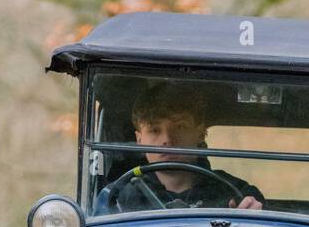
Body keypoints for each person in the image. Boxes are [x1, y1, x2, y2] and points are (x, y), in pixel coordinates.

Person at [111, 85, 263, 211]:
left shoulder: (236, 192)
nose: (167, 140)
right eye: (155, 130)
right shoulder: (118, 195)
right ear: (139, 140)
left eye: (180, 127)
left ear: (201, 134)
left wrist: (253, 213)